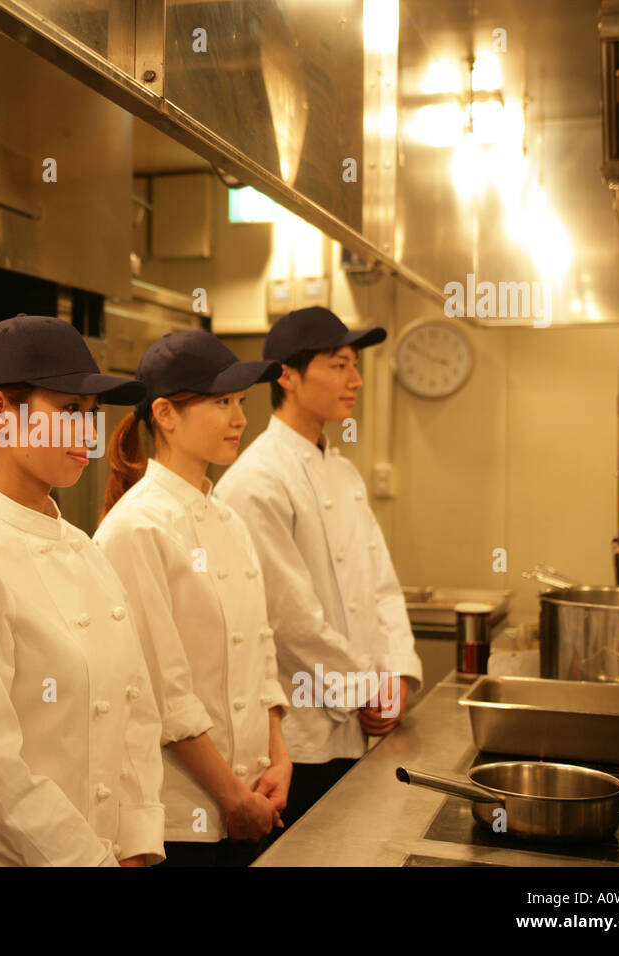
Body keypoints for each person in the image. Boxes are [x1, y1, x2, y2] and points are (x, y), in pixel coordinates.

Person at [0, 315, 166, 866]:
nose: (89, 434)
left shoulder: (85, 551)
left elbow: (135, 710)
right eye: (70, 411)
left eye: (92, 415)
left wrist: (137, 843)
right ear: (1, 412)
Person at [215, 307, 423, 830]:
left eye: (354, 365)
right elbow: (287, 617)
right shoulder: (256, 479)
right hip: (300, 737)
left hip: (362, 718)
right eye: (338, 365)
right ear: (286, 375)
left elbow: (382, 585)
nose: (354, 380)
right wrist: (365, 688)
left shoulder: (345, 473)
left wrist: (397, 676)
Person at [93, 330, 292, 867]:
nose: (239, 419)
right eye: (221, 402)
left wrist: (279, 757)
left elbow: (260, 650)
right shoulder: (135, 529)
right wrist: (231, 796)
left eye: (241, 403)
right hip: (185, 822)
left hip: (255, 797)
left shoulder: (228, 519)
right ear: (165, 414)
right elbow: (163, 694)